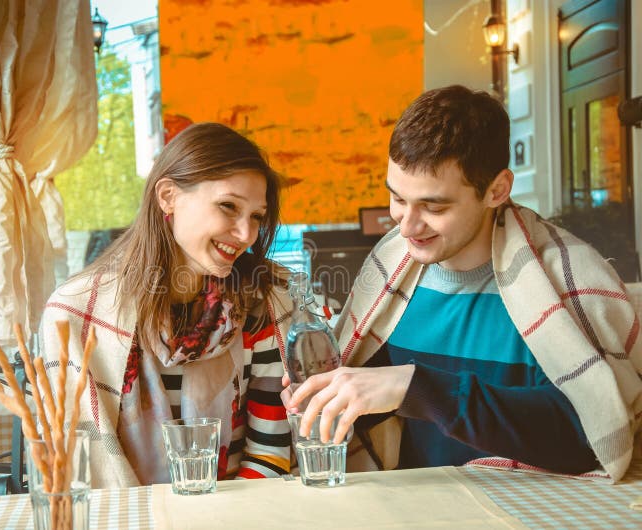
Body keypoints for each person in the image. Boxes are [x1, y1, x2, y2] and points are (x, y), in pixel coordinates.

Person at [287, 85, 642, 482]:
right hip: (414, 503)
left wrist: (418, 388)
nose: (406, 228)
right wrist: (328, 392)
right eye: (398, 199)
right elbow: (377, 402)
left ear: (497, 190)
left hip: (530, 504)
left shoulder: (560, 281)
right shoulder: (391, 271)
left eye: (433, 206)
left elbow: (590, 440)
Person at [41, 123, 293, 488]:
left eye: (256, 216)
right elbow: (85, 466)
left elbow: (269, 454)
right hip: (125, 512)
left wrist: (214, 515)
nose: (246, 234)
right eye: (228, 206)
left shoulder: (261, 304)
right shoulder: (78, 314)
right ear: (168, 196)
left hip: (238, 509)